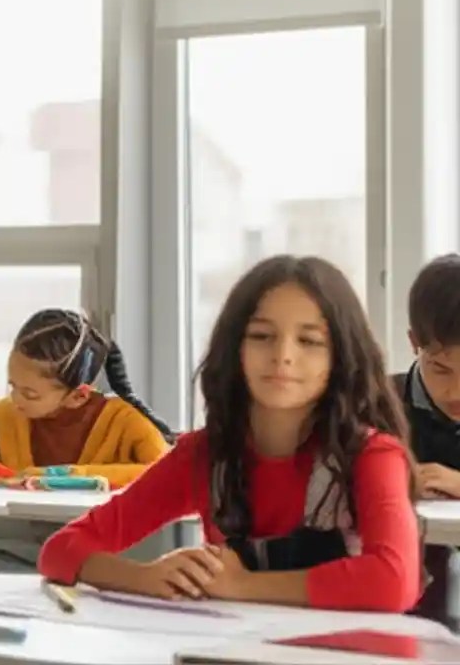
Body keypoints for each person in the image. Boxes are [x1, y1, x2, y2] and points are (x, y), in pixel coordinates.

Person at [38, 256, 421, 613]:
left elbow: (393, 581)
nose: (283, 355)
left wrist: (243, 585)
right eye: (261, 336)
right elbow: (60, 550)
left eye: (309, 341)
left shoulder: (371, 456)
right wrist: (144, 578)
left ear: (342, 359)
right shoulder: (204, 455)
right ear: (233, 348)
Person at [0, 308, 172, 490]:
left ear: (78, 396)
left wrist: (60, 478)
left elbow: (168, 479)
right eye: (12, 385)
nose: (15, 399)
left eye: (30, 394)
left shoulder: (126, 426)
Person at [396, 253, 460, 625]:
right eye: (441, 368)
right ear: (414, 343)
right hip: (407, 611)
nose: (457, 391)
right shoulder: (377, 405)